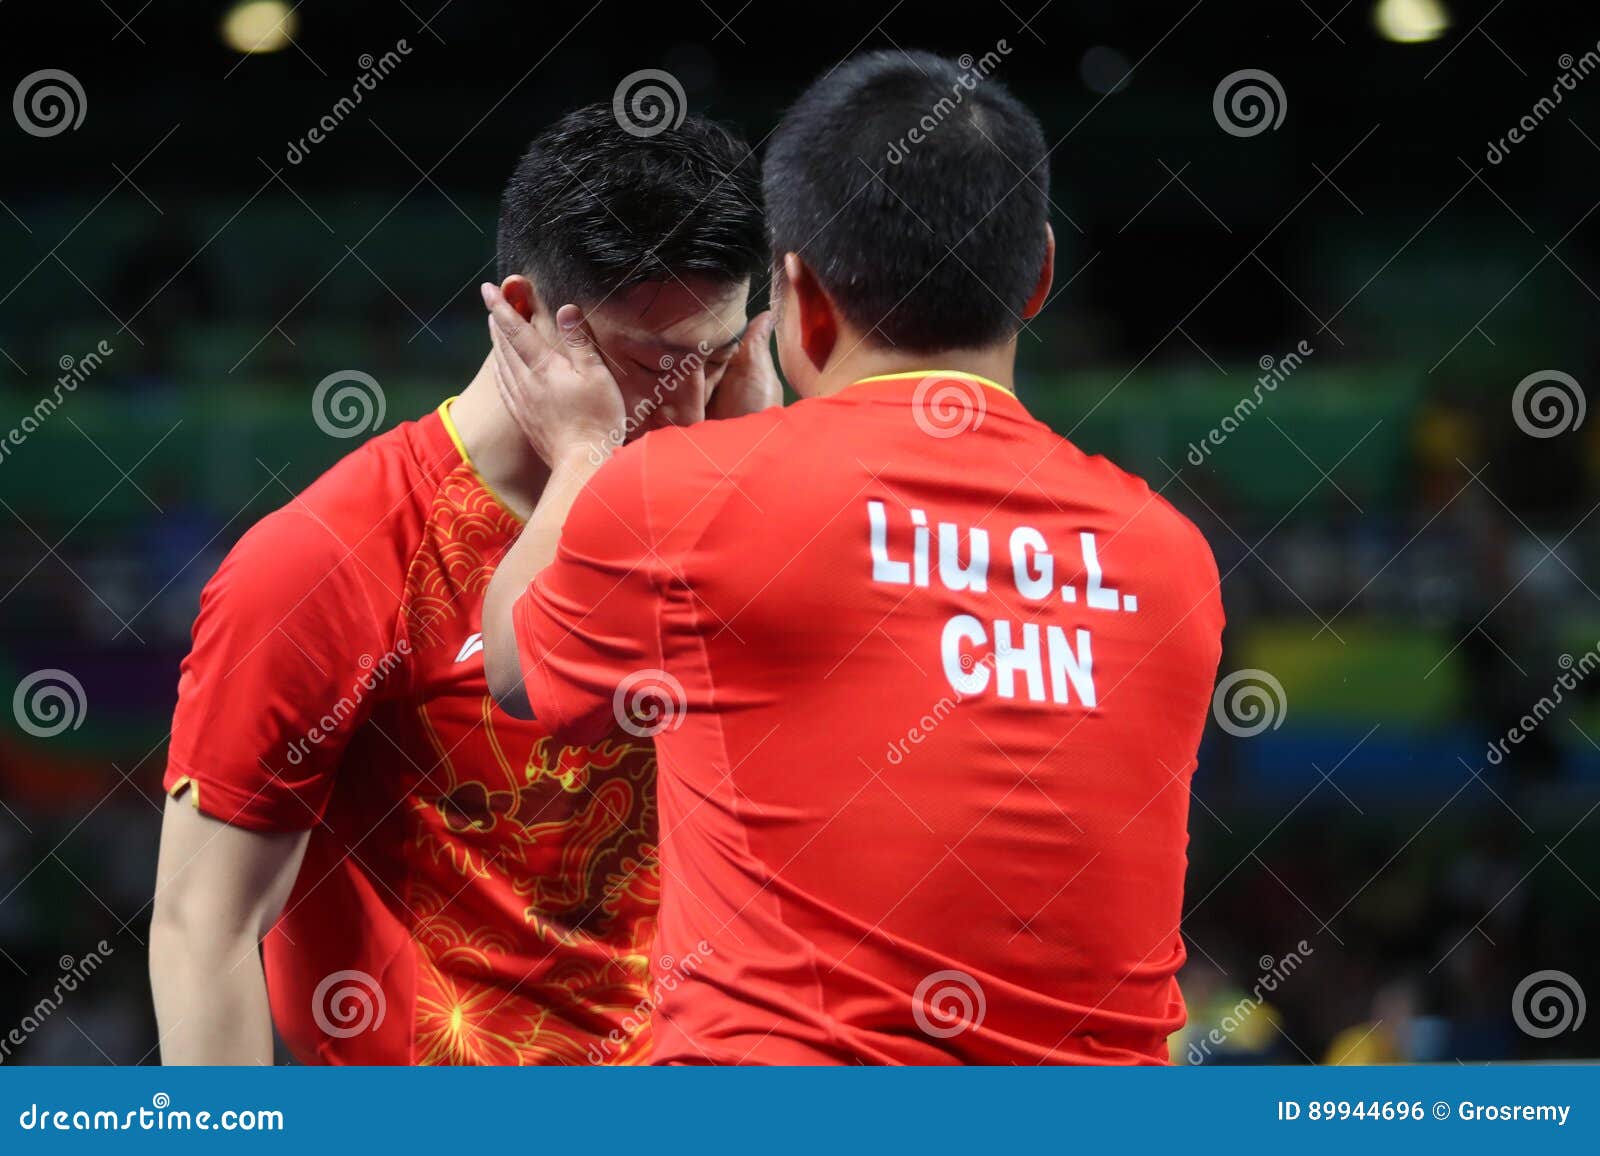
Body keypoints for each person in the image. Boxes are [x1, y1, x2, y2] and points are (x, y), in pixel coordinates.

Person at [479, 50, 1223, 1065]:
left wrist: (581, 457)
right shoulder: (1169, 556)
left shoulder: (684, 495)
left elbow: (517, 671)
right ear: (1039, 272)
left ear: (795, 292)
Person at [148, 103, 776, 1065]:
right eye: (651, 364)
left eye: (719, 356)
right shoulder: (327, 557)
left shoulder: (723, 513)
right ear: (523, 312)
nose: (688, 410)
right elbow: (204, 930)